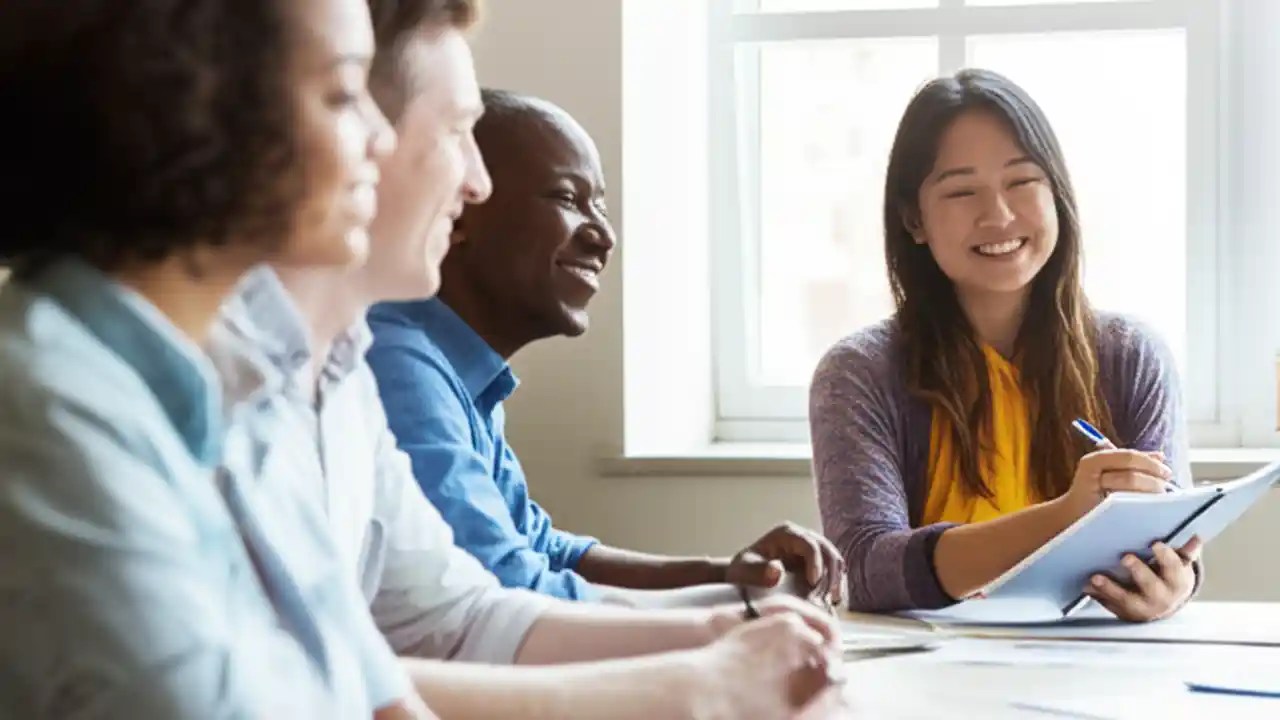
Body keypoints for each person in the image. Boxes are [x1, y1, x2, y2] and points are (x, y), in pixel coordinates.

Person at [210, 2, 850, 717]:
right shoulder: (361, 365)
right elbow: (299, 682)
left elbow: (463, 615)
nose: (474, 182)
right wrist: (699, 678)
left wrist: (720, 626)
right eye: (456, 134)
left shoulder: (348, 373)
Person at [0, 1, 433, 717]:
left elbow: (381, 697)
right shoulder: (42, 414)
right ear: (191, 106)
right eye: (344, 94)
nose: (381, 139)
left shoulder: (244, 384)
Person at [365, 87, 846, 605]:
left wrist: (728, 575)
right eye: (568, 199)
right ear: (461, 208)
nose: (603, 235)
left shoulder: (462, 375)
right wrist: (732, 611)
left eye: (600, 205)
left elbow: (547, 552)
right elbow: (510, 594)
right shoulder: (399, 366)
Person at [810, 69, 1200, 622]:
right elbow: (868, 570)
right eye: (962, 191)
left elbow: (1174, 534)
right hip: (925, 678)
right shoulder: (859, 372)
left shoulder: (1133, 356)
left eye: (1021, 182)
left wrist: (1172, 585)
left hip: (1100, 669)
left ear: (1057, 194)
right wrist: (1068, 516)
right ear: (912, 219)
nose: (998, 215)